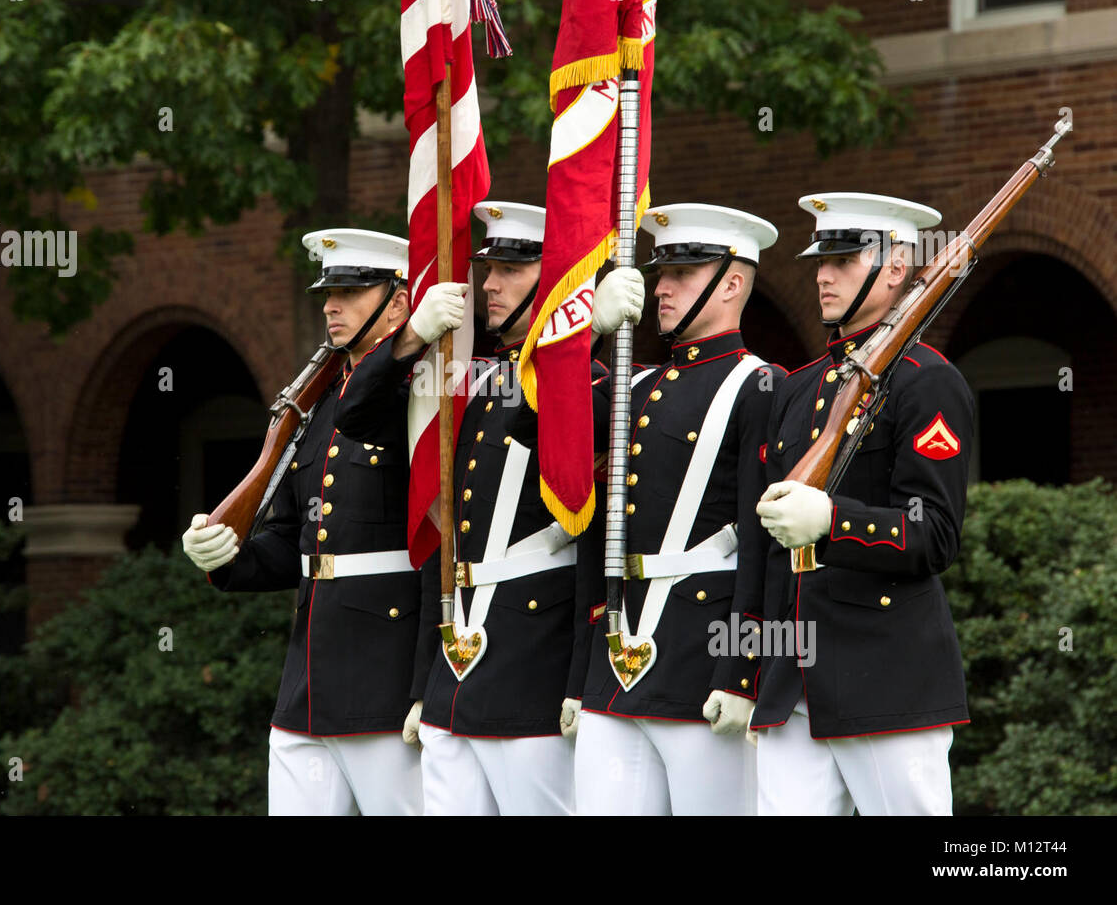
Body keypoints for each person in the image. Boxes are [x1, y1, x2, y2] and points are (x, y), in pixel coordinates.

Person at [334, 201, 596, 815]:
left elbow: (591, 548)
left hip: (534, 663)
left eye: (512, 270)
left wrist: (570, 342)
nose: (490, 284)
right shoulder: (465, 379)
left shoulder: (594, 381)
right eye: (488, 268)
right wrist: (413, 337)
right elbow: (357, 416)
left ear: (556, 278)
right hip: (454, 669)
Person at [180, 228, 422, 816]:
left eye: (351, 290)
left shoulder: (424, 392)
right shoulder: (318, 402)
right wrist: (231, 556)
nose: (330, 304)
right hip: (305, 685)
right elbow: (294, 539)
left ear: (398, 299)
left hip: (383, 676)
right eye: (327, 290)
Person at [751, 192, 974, 816]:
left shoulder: (926, 379)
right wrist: (748, 670)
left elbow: (934, 536)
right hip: (791, 680)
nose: (822, 273)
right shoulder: (799, 388)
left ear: (896, 268)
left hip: (887, 673)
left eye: (844, 258)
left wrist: (832, 522)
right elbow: (766, 549)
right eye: (821, 258)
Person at [572, 204, 783, 815]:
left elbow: (760, 545)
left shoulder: (760, 385)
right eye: (661, 271)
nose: (660, 286)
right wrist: (584, 333)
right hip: (616, 658)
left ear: (733, 283)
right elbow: (538, 426)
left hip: (703, 660)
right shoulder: (633, 386)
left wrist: (742, 670)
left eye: (683, 272)